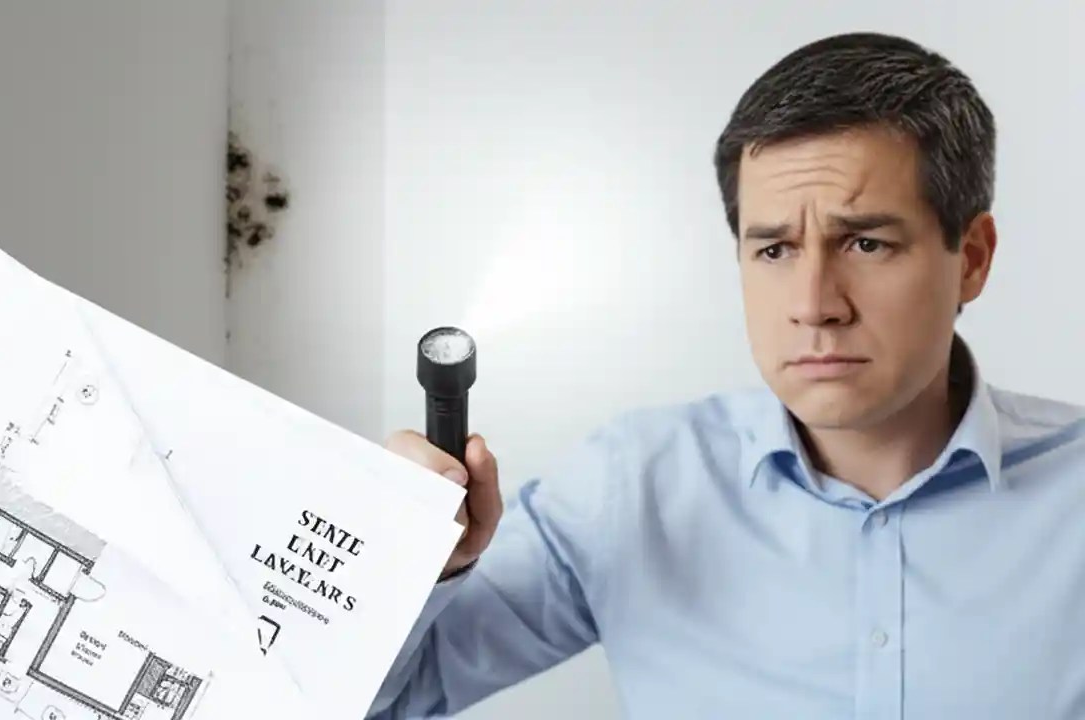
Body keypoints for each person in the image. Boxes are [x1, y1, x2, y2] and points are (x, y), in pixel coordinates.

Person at [366, 31, 1085, 719]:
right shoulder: (634, 487)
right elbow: (372, 703)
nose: (814, 307)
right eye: (774, 251)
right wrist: (403, 558)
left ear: (974, 257)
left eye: (866, 242)